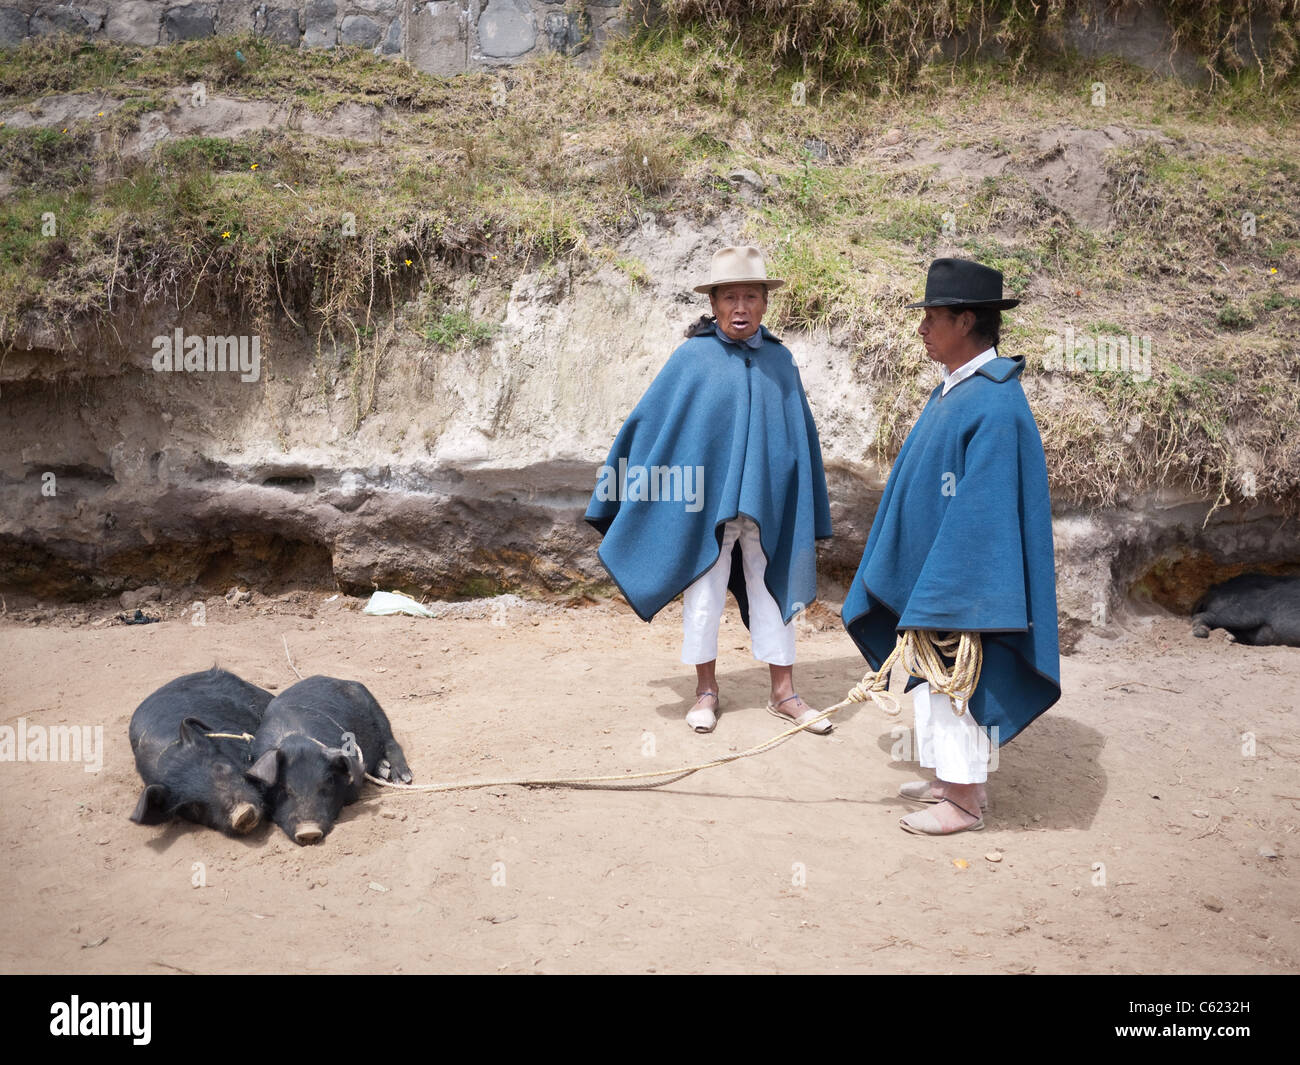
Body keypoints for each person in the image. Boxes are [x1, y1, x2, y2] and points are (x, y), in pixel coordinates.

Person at [841, 258, 1061, 835]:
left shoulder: (993, 402)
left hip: (963, 579)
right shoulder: (957, 391)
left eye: (933, 317)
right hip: (938, 571)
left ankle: (963, 803)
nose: (922, 328)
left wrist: (947, 585)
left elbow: (982, 514)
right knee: (932, 683)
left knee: (956, 679)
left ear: (966, 321)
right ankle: (948, 780)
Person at [586, 246, 832, 735]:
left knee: (773, 585)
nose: (740, 308)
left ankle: (784, 692)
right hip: (705, 505)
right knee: (706, 589)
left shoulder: (781, 362)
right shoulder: (693, 359)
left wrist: (791, 488)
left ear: (765, 304)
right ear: (714, 304)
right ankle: (706, 691)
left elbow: (798, 435)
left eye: (750, 297)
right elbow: (653, 422)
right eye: (729, 298)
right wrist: (621, 481)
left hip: (767, 503)